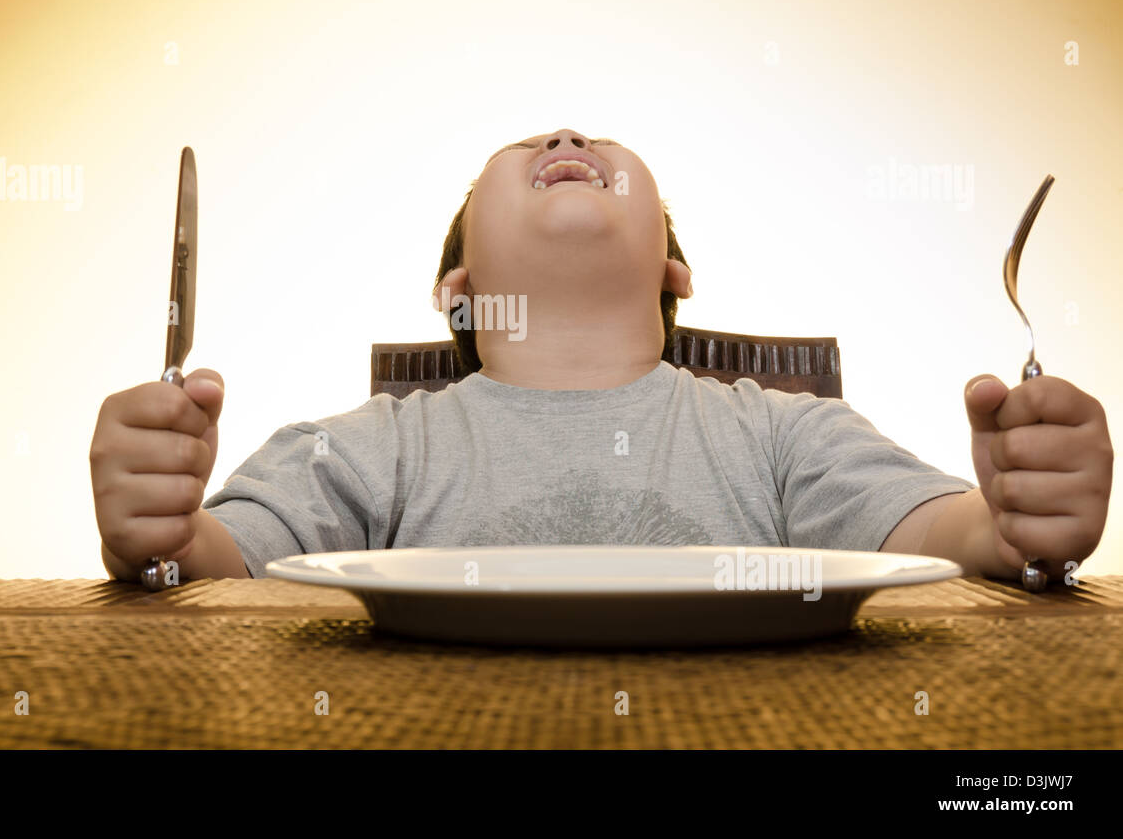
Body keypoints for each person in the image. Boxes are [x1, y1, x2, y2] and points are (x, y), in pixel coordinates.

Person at [90, 129, 1113, 583]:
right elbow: (218, 565)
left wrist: (1015, 518)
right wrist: (163, 528)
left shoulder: (781, 434)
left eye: (598, 144)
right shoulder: (365, 449)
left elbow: (946, 536)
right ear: (457, 292)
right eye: (521, 147)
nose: (568, 132)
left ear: (671, 271)